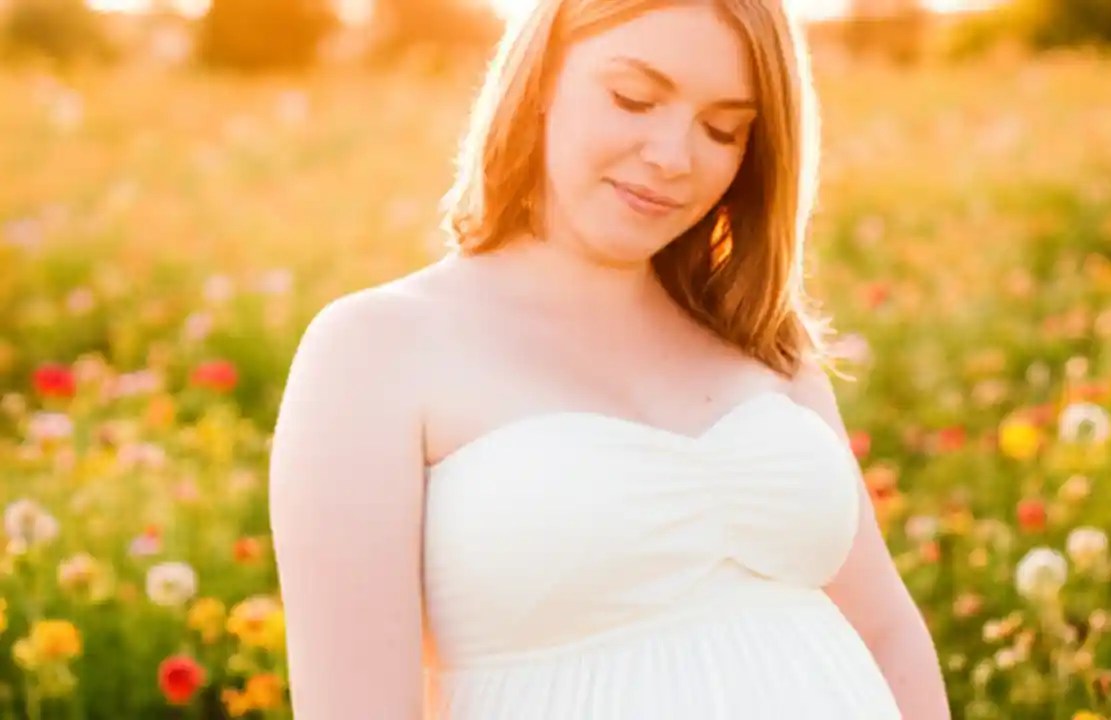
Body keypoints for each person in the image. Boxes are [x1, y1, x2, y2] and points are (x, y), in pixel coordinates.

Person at [268, 0, 951, 716]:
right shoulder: (377, 348)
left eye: (723, 129)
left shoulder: (761, 340)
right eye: (634, 99)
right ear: (538, 81)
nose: (672, 157)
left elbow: (886, 632)